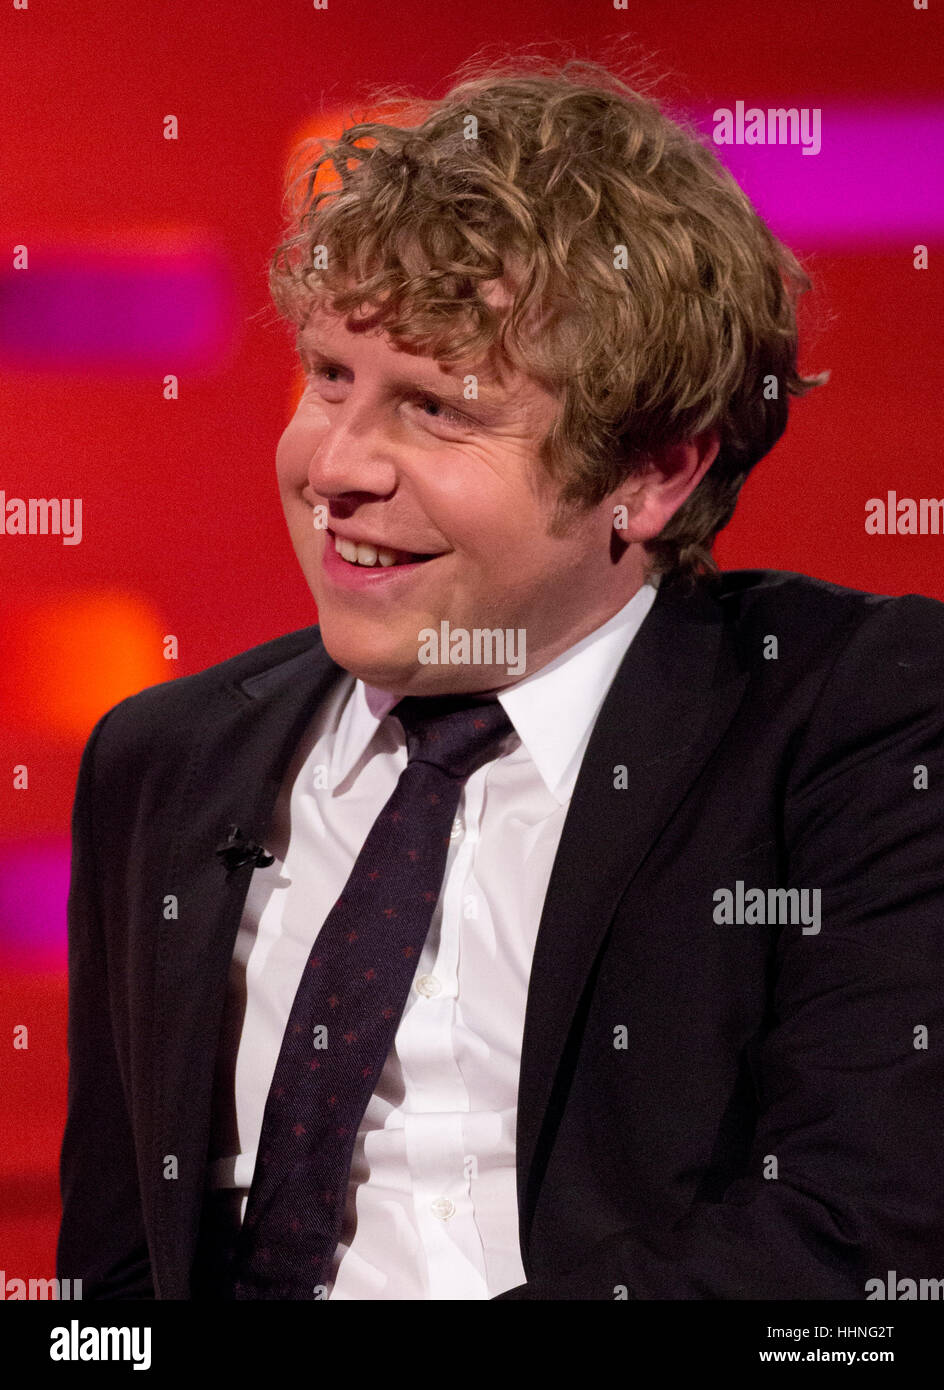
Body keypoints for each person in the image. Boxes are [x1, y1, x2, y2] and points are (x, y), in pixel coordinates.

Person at [57, 57, 944, 1301]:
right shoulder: (165, 758)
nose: (336, 467)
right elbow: (114, 1283)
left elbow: (856, 1248)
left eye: (432, 409)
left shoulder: (856, 719)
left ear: (652, 474)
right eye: (327, 377)